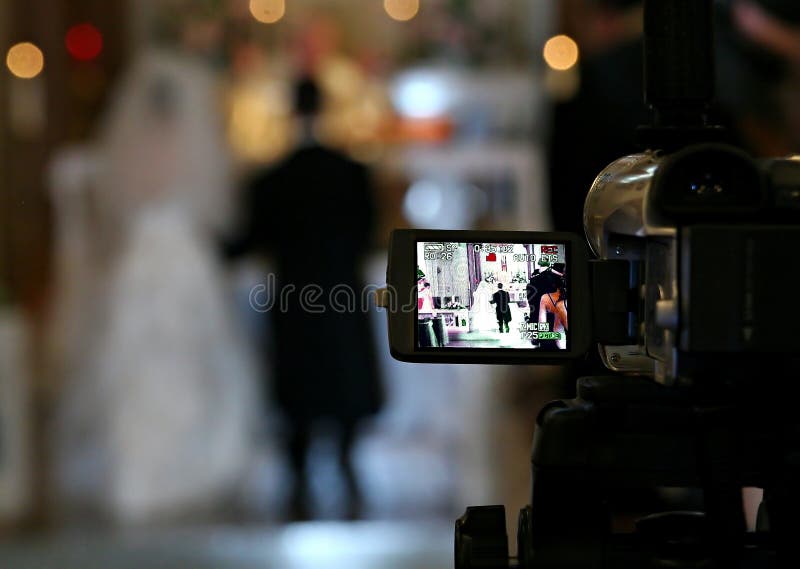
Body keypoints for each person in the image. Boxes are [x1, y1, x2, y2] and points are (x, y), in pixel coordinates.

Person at [225, 75, 382, 520]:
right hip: (342, 297)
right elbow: (368, 234)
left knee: (298, 388)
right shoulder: (353, 173)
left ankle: (298, 479)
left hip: (294, 301)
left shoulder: (272, 178)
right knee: (344, 384)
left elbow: (250, 239)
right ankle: (346, 466)